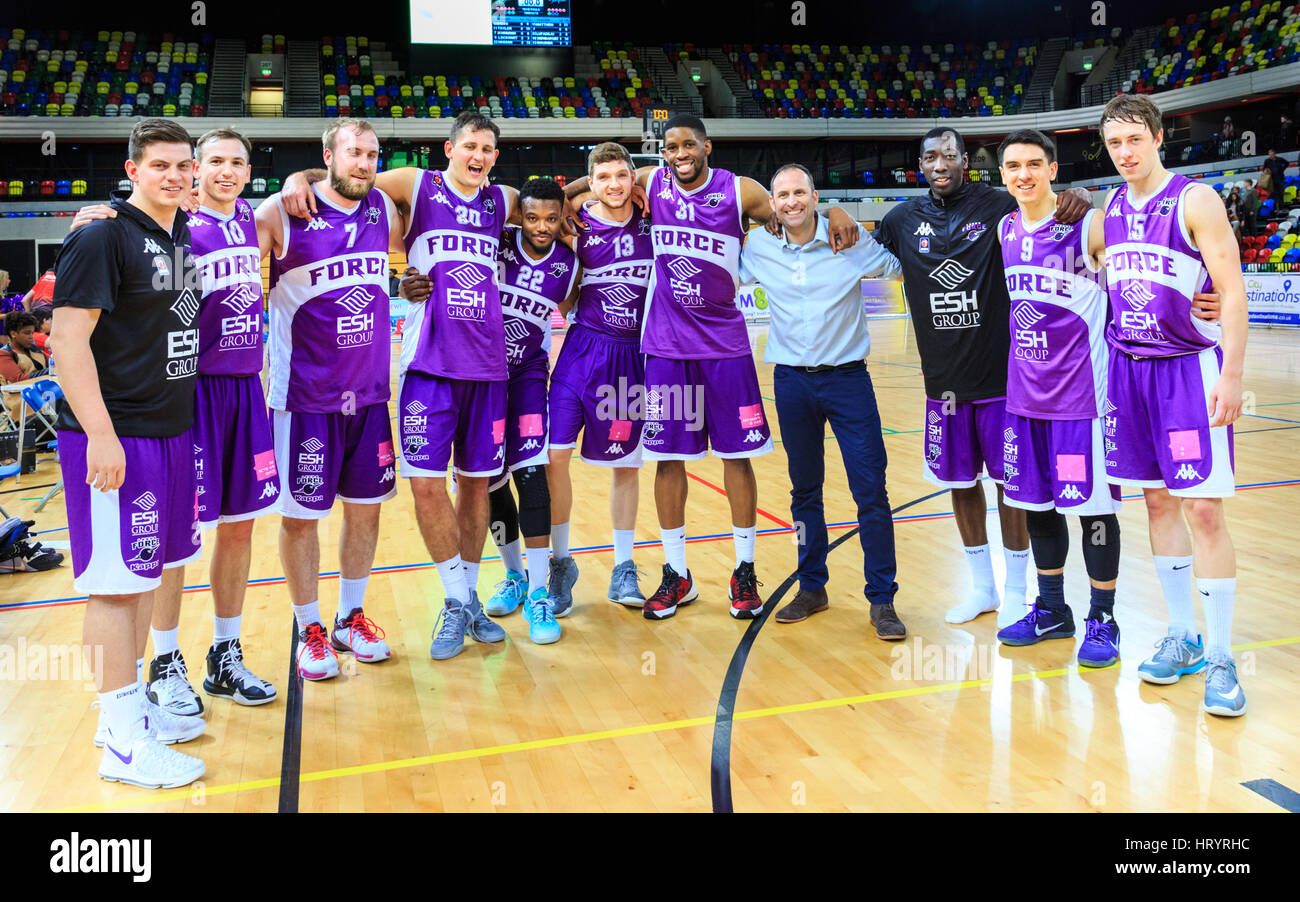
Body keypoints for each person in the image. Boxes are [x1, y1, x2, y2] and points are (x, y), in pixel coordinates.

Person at [562, 114, 860, 622]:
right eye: (670, 146)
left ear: (706, 146)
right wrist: (569, 194)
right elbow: (583, 189)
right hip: (667, 350)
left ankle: (743, 571)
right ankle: (676, 574)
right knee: (668, 460)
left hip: (725, 349)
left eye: (687, 145)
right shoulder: (649, 181)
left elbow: (792, 210)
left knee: (736, 457)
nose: (678, 153)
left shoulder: (739, 189)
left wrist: (832, 209)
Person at [280, 111, 520, 661]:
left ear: (494, 156)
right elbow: (344, 180)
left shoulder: (502, 200)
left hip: (488, 369)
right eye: (468, 148)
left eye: (486, 149)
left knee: (478, 486)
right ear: (449, 148)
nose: (477, 157)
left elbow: (563, 203)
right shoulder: (416, 185)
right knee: (427, 486)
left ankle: (466, 599)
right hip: (426, 366)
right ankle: (457, 599)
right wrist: (296, 180)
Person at [69, 127, 285, 710]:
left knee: (240, 526)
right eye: (214, 161)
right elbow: (74, 320)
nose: (225, 171)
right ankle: (163, 662)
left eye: (236, 162)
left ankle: (226, 652)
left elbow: (322, 183)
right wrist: (102, 216)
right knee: (175, 543)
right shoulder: (165, 227)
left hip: (244, 393)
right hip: (187, 395)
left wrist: (301, 178)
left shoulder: (255, 219)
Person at [872, 127, 1093, 627]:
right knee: (959, 483)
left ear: (965, 160)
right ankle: (982, 588)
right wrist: (837, 216)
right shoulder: (901, 220)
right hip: (943, 387)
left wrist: (1076, 195)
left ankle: (1019, 590)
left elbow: (1049, 209)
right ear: (920, 165)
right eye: (930, 157)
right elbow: (857, 253)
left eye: (949, 155)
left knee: (1011, 488)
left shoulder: (999, 206)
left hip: (1004, 382)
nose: (940, 164)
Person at [53, 117, 207, 789]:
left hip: (169, 432)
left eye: (183, 165)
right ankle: (119, 741)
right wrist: (101, 434)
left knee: (142, 578)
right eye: (161, 165)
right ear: (133, 168)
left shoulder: (177, 236)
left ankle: (129, 708)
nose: (174, 175)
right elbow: (66, 341)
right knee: (115, 588)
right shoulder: (103, 234)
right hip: (117, 436)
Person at [1093, 94, 1249, 716]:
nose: (1125, 153)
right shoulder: (1109, 206)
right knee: (1157, 502)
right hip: (1130, 374)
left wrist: (1232, 375)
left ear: (1159, 137)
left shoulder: (1195, 200)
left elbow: (1232, 293)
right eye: (1114, 144)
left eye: (1135, 140)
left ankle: (1222, 659)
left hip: (1189, 373)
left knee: (1204, 510)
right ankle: (1182, 637)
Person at [256, 118, 406, 681]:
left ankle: (349, 616)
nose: (364, 163)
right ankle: (308, 625)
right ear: (328, 156)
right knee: (301, 519)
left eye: (371, 154)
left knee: (366, 512)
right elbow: (207, 231)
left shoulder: (383, 209)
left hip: (368, 397)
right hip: (304, 400)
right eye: (353, 154)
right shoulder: (281, 212)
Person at [739, 163, 906, 637]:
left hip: (848, 382)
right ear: (771, 204)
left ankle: (882, 599)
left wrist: (841, 214)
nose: (791, 201)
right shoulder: (759, 247)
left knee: (871, 490)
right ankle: (812, 585)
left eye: (800, 193)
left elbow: (898, 268)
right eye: (782, 195)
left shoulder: (849, 242)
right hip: (792, 383)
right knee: (804, 492)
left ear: (815, 197)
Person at [991, 129, 1123, 666]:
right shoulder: (1004, 227)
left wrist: (1205, 295)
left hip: (1081, 401)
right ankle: (1052, 610)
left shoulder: (1086, 223)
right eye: (1013, 166)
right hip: (1023, 400)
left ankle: (1103, 618)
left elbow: (1139, 252)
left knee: (1093, 513)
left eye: (1033, 164)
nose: (1023, 174)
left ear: (1052, 168)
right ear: (1002, 175)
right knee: (1037, 509)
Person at [549, 142, 653, 613]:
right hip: (580, 352)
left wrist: (645, 177)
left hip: (630, 358)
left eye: (622, 175)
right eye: (604, 177)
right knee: (554, 457)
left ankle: (624, 566)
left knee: (627, 466)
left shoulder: (654, 222)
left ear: (633, 178)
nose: (614, 185)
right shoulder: (576, 226)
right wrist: (573, 191)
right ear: (591, 183)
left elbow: (665, 172)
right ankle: (560, 561)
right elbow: (546, 207)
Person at [482, 178, 576, 642]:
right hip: (479, 377)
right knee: (491, 484)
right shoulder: (495, 244)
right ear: (519, 215)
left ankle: (539, 594)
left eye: (552, 219)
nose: (542, 227)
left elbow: (579, 306)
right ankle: (514, 575)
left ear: (563, 217)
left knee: (532, 478)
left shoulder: (571, 260)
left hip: (528, 378)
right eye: (533, 217)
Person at [1, 310, 48, 380]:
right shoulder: (3, 354)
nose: (31, 336)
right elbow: (18, 379)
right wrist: (49, 371)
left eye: (32, 333)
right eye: (27, 333)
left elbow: (53, 361)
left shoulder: (34, 349)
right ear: (13, 334)